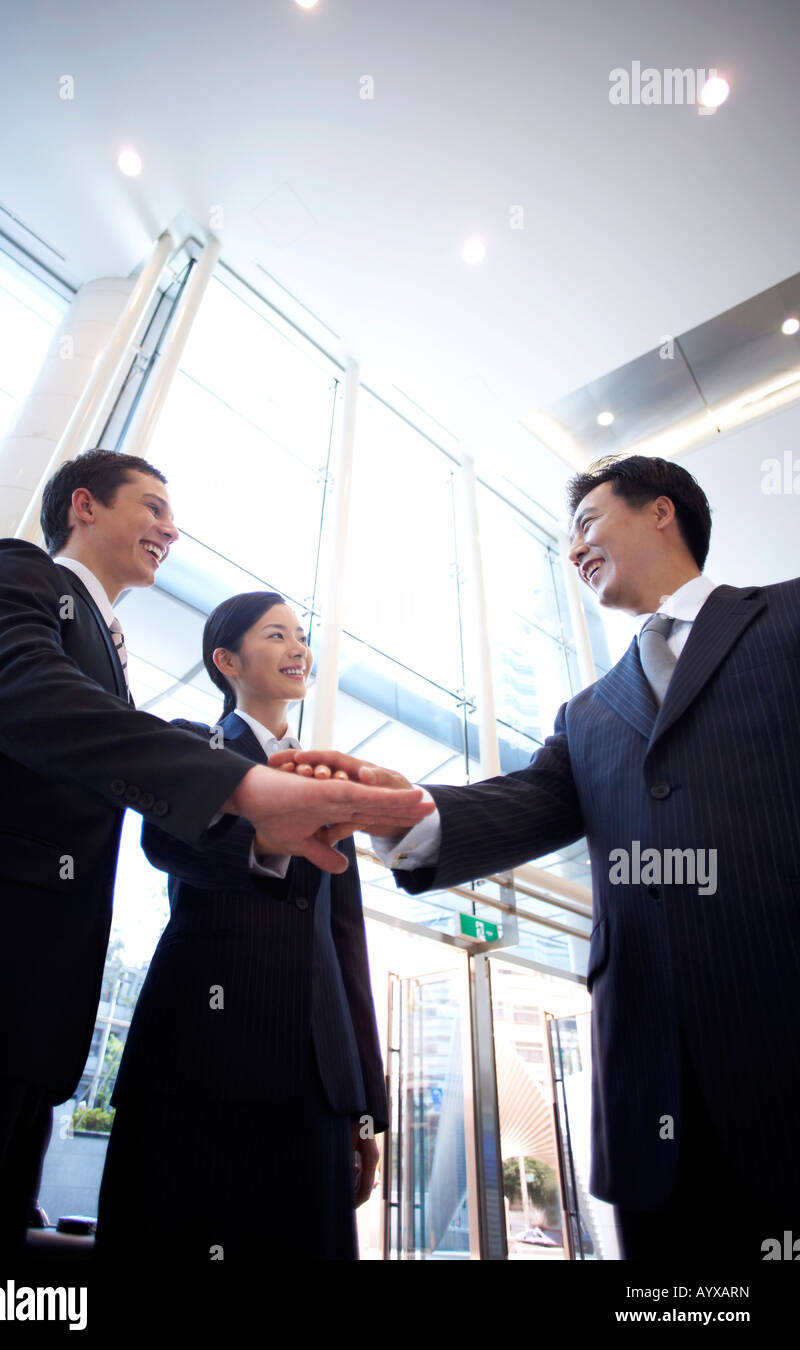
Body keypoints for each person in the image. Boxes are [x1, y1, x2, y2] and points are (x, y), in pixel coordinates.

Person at [274, 454, 800, 1262]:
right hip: (649, 1077)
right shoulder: (589, 712)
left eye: (587, 523)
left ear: (662, 513)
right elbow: (528, 804)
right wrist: (401, 807)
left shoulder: (787, 620)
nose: (575, 548)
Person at [0, 450, 429, 1260]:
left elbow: (344, 947)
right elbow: (21, 699)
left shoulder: (122, 669)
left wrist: (364, 1102)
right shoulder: (17, 574)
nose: (172, 527)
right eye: (154, 506)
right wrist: (243, 791)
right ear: (85, 506)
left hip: (47, 1007)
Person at [95, 591, 388, 1261]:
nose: (298, 648)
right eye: (276, 635)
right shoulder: (188, 743)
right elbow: (169, 848)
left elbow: (347, 949)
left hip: (317, 1081)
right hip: (201, 1052)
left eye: (301, 635)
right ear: (226, 660)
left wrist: (364, 1105)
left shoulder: (326, 778)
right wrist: (271, 834)